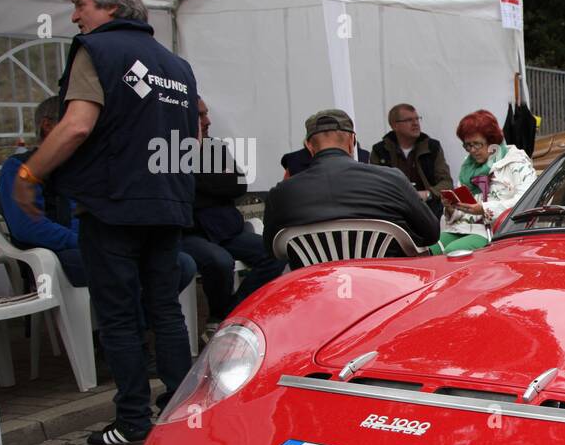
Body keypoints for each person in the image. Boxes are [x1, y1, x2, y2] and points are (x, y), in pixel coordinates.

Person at [10, 0, 198, 445]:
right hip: (168, 200)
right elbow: (192, 135)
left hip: (113, 203)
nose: (75, 15)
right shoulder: (177, 65)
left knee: (117, 316)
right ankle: (179, 405)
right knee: (165, 309)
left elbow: (75, 126)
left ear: (110, 7)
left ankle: (133, 421)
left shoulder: (97, 50)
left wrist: (28, 175)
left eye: (81, 4)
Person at [0, 96, 196, 293]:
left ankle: (140, 321)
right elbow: (27, 227)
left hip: (101, 245)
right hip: (57, 254)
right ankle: (133, 322)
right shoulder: (21, 167)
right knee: (129, 268)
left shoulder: (84, 166)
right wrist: (85, 240)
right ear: (48, 126)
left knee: (182, 263)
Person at [262, 109, 439, 263]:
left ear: (309, 146)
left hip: (317, 292)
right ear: (352, 141)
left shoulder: (281, 194)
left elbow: (272, 250)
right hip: (387, 287)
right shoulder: (392, 179)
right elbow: (431, 233)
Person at [181, 99, 285, 340]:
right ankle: (221, 315)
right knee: (219, 262)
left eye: (206, 114)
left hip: (227, 230)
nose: (208, 121)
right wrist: (214, 182)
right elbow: (184, 190)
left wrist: (199, 182)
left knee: (274, 252)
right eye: (200, 115)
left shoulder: (216, 148)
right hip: (190, 233)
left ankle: (228, 314)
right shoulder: (169, 151)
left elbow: (238, 184)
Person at [437, 109, 537, 253]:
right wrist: (452, 208)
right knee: (429, 249)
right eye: (467, 145)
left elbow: (527, 201)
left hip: (497, 231)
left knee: (453, 251)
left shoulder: (516, 162)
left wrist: (484, 209)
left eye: (477, 144)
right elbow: (463, 210)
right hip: (462, 227)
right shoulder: (468, 166)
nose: (472, 150)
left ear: (492, 141)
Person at [368, 103, 452, 211]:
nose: (415, 123)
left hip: (429, 207)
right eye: (409, 120)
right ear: (394, 125)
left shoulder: (432, 147)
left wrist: (427, 194)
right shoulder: (380, 150)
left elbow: (447, 183)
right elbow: (375, 185)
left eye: (417, 119)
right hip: (393, 208)